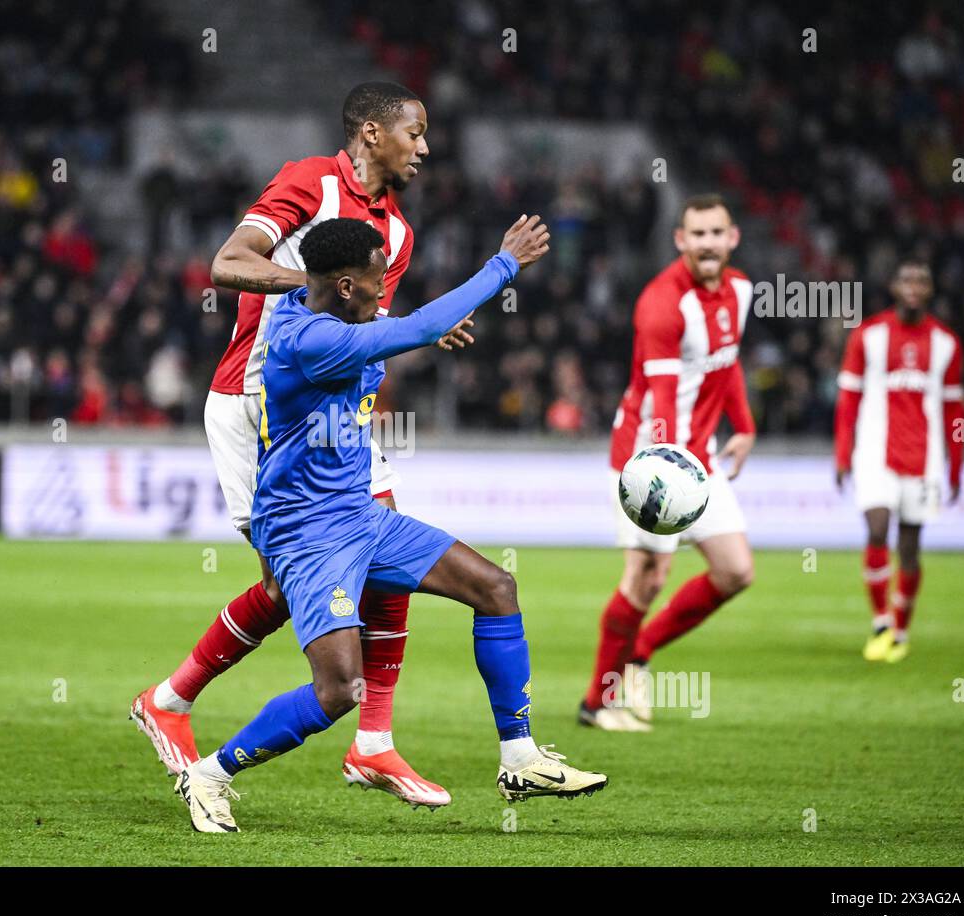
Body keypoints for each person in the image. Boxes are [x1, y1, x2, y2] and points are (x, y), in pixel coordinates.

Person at [176, 215, 607, 833]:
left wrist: (422, 332)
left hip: (360, 514)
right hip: (307, 530)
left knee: (496, 588)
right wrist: (503, 263)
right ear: (347, 284)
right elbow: (414, 325)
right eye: (379, 279)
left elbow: (402, 326)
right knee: (338, 691)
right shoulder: (308, 340)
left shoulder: (343, 310)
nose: (386, 289)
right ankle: (210, 774)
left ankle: (520, 755)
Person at [131, 82, 471, 807]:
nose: (425, 147)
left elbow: (363, 319)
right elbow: (229, 262)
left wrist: (404, 331)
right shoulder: (307, 181)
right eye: (414, 133)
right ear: (373, 132)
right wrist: (312, 282)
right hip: (254, 405)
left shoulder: (399, 234)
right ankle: (170, 697)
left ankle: (373, 743)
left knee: (382, 543)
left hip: (335, 416)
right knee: (286, 589)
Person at [580, 194, 756, 732]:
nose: (707, 243)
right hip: (650, 454)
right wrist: (671, 476)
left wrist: (744, 426)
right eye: (696, 234)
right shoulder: (662, 303)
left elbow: (726, 365)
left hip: (698, 455)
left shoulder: (741, 291)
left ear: (732, 238)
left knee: (735, 571)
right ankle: (599, 701)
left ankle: (639, 652)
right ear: (680, 240)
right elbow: (661, 399)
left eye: (715, 233)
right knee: (647, 575)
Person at [834, 259, 964, 663]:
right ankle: (881, 623)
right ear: (893, 286)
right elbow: (848, 400)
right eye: (906, 279)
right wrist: (843, 454)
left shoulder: (946, 344)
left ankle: (902, 631)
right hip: (874, 452)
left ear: (930, 290)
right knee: (877, 530)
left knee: (910, 548)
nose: (913, 286)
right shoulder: (869, 335)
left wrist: (955, 464)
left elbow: (955, 412)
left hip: (924, 459)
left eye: (921, 280)